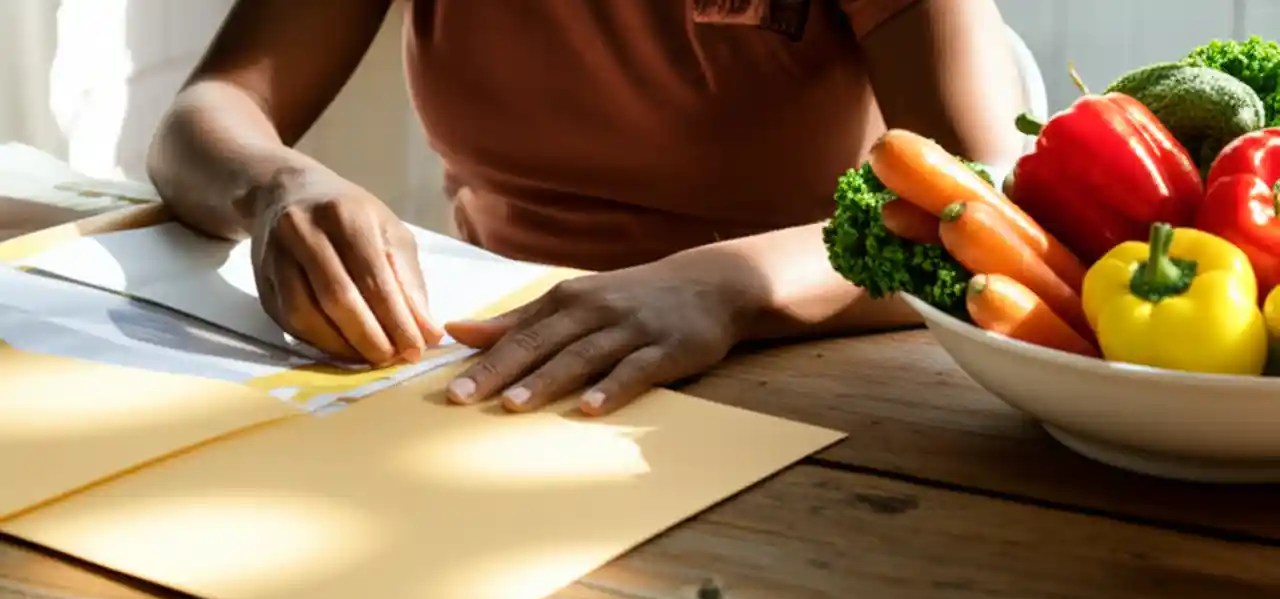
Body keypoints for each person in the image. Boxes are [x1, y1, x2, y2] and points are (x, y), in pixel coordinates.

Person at [146, 0, 1026, 416]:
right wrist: (279, 185)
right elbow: (207, 113)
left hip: (801, 371)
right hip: (483, 363)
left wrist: (729, 287)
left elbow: (989, 202)